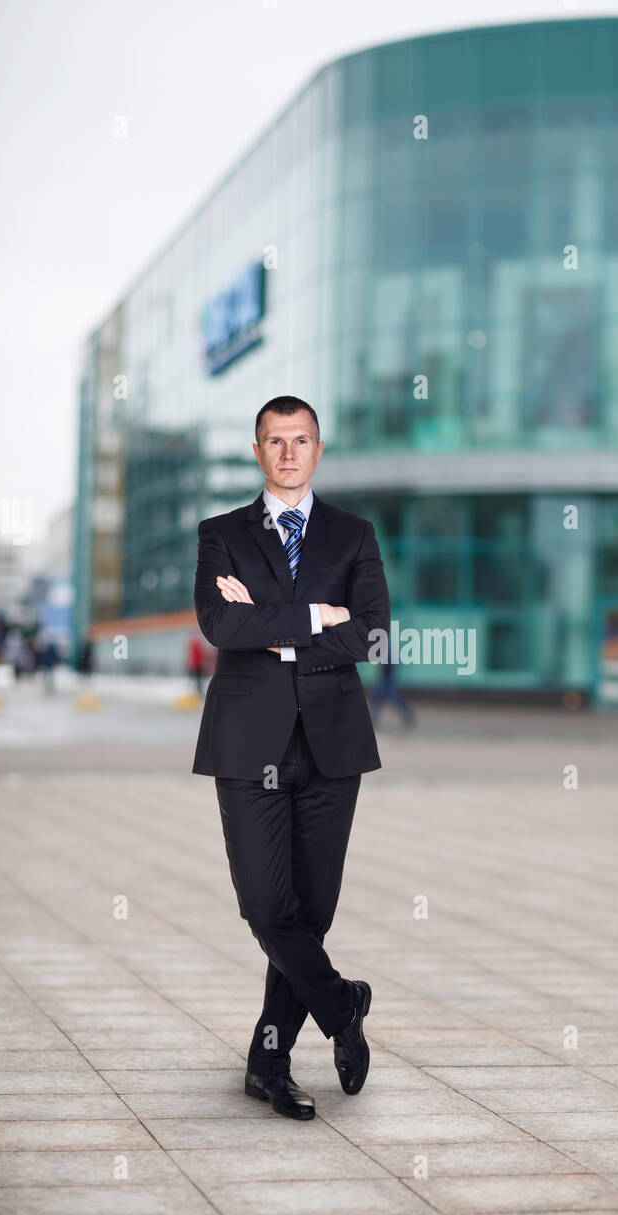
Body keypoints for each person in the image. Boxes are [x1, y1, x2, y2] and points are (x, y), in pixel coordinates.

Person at [192, 395, 390, 1121]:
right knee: (266, 907)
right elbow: (220, 623)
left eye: (300, 440)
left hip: (332, 749)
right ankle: (344, 1008)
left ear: (318, 448)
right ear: (257, 450)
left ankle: (268, 1063)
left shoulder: (352, 535)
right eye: (274, 441)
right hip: (248, 745)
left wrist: (268, 627)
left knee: (311, 913)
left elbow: (373, 636)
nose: (287, 453)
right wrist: (314, 618)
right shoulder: (221, 535)